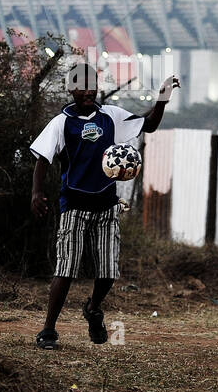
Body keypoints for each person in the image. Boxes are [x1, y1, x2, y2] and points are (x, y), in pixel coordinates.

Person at [28, 62, 179, 349]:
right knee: (66, 268)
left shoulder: (110, 117)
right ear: (72, 89)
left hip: (107, 205)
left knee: (108, 270)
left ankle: (93, 307)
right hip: (73, 206)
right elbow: (42, 160)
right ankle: (48, 329)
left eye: (92, 85)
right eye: (81, 86)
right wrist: (36, 193)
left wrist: (161, 99)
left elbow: (148, 124)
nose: (88, 91)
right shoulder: (62, 122)